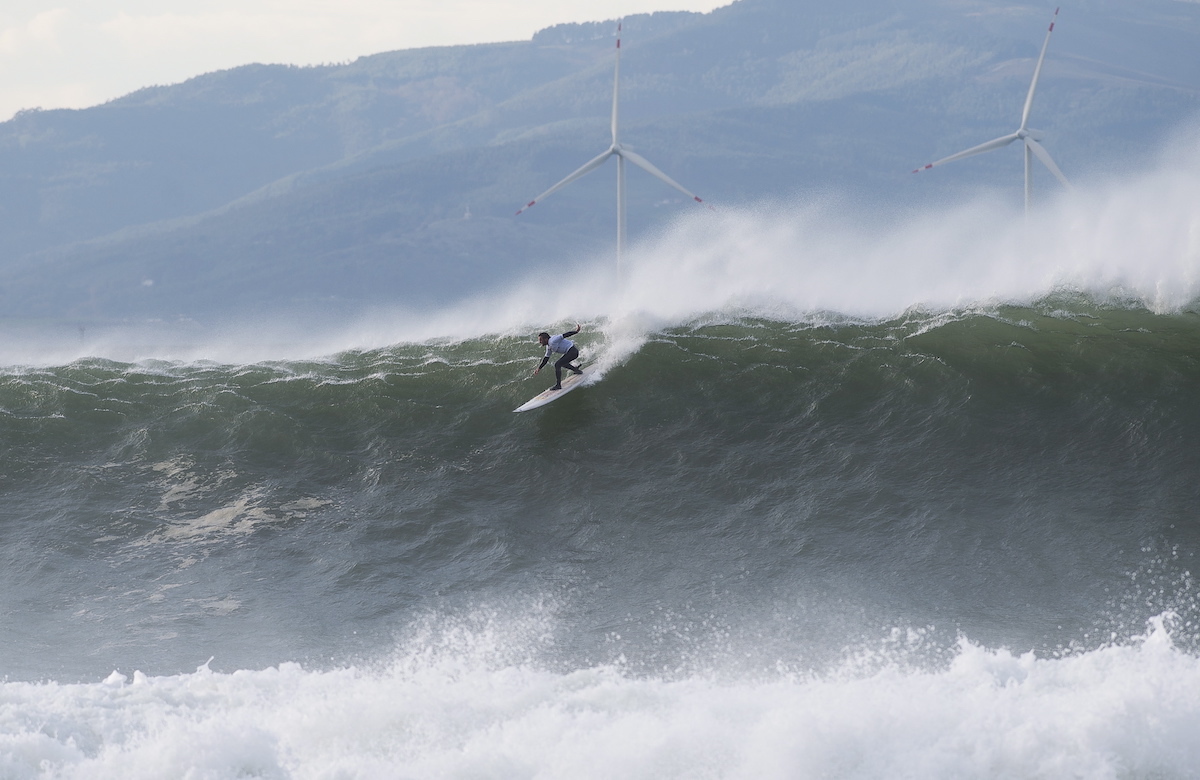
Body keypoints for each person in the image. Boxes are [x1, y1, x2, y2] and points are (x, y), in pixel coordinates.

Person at [534, 324, 584, 390]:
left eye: (541, 340)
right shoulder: (549, 347)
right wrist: (539, 368)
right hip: (571, 352)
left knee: (558, 364)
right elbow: (546, 358)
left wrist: (576, 331)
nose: (539, 342)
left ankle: (558, 385)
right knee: (562, 363)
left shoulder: (553, 340)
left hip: (573, 351)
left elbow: (565, 335)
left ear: (546, 339)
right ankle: (576, 370)